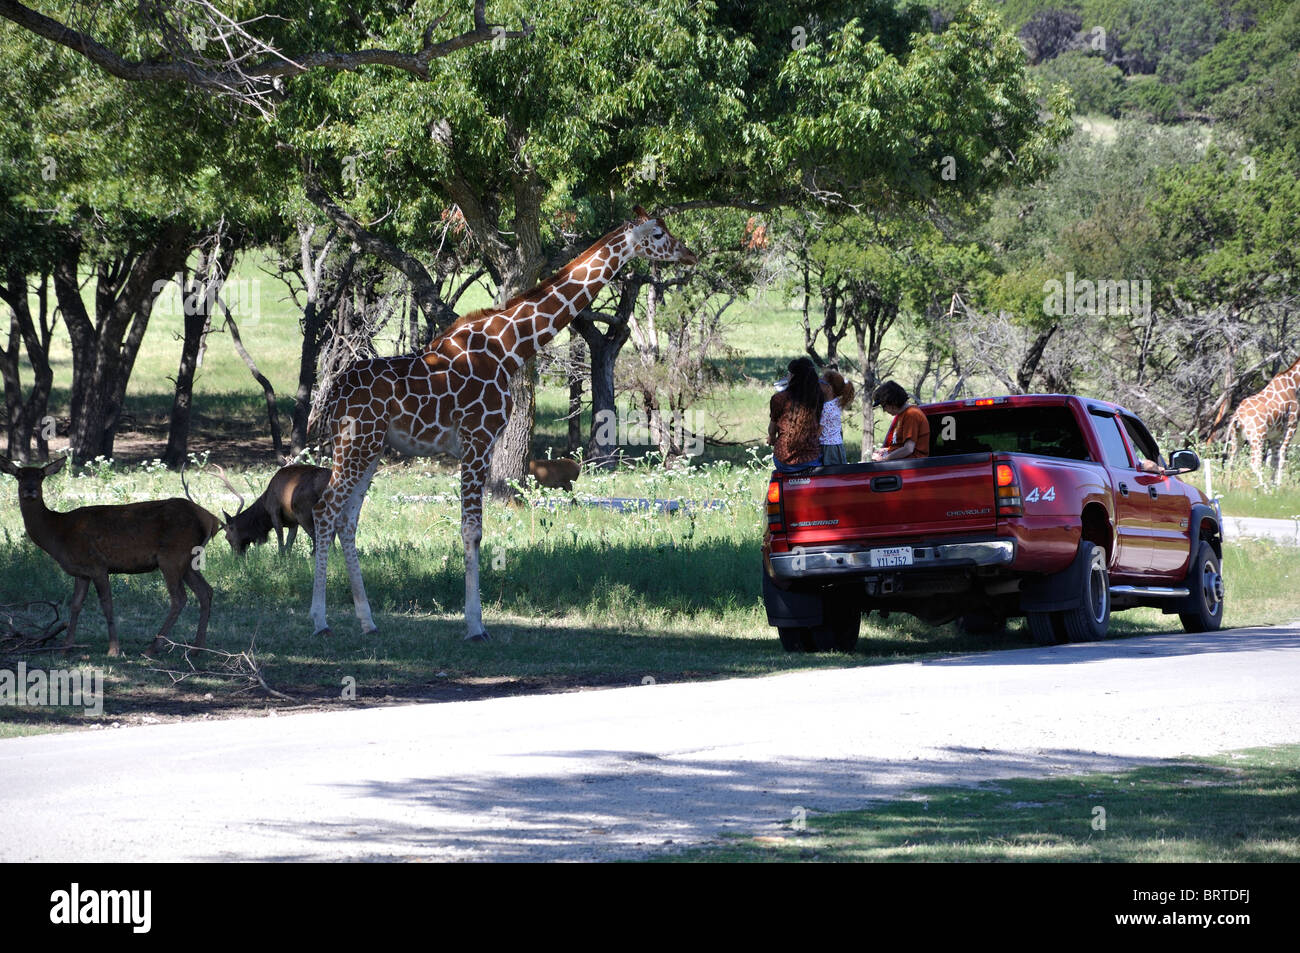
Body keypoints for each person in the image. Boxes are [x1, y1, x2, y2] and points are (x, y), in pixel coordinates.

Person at [768, 357, 824, 472]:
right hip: (812, 459)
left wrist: (772, 438)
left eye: (788, 374)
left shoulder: (779, 398)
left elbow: (772, 430)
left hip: (783, 461)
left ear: (793, 376)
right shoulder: (818, 397)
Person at [871, 381, 929, 461]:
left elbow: (908, 449)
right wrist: (886, 450)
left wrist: (883, 459)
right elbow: (900, 445)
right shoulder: (901, 415)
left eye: (884, 406)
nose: (884, 410)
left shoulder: (911, 415)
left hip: (911, 465)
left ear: (892, 401)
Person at [819, 370, 855, 466]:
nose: (818, 384)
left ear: (829, 388)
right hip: (836, 445)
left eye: (821, 382)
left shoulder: (826, 408)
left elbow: (818, 432)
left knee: (829, 476)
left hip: (828, 448)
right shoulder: (836, 402)